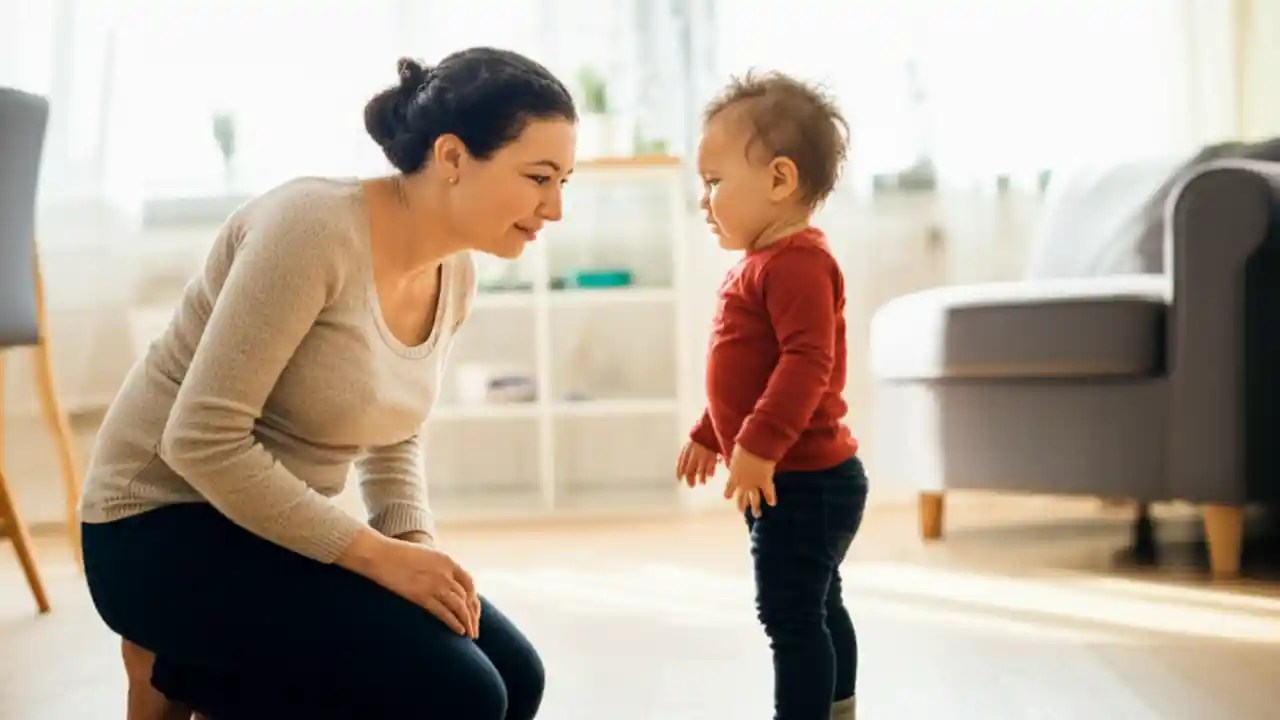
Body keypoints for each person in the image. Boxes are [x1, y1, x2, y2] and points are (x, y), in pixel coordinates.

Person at [79, 46, 576, 719]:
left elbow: (394, 435)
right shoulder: (311, 228)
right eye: (539, 177)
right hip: (158, 530)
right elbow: (200, 441)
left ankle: (202, 672)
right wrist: (377, 560)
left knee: (518, 680)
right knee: (460, 694)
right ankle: (179, 667)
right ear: (453, 157)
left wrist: (413, 556)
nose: (554, 208)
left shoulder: (454, 273)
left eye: (563, 183)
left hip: (269, 531)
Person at [675, 71, 867, 720]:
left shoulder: (799, 264)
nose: (704, 202)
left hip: (805, 480)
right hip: (796, 476)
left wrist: (756, 446)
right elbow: (746, 371)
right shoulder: (763, 264)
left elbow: (808, 363)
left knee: (790, 614)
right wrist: (712, 430)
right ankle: (839, 708)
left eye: (713, 182)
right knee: (817, 600)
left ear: (780, 180)